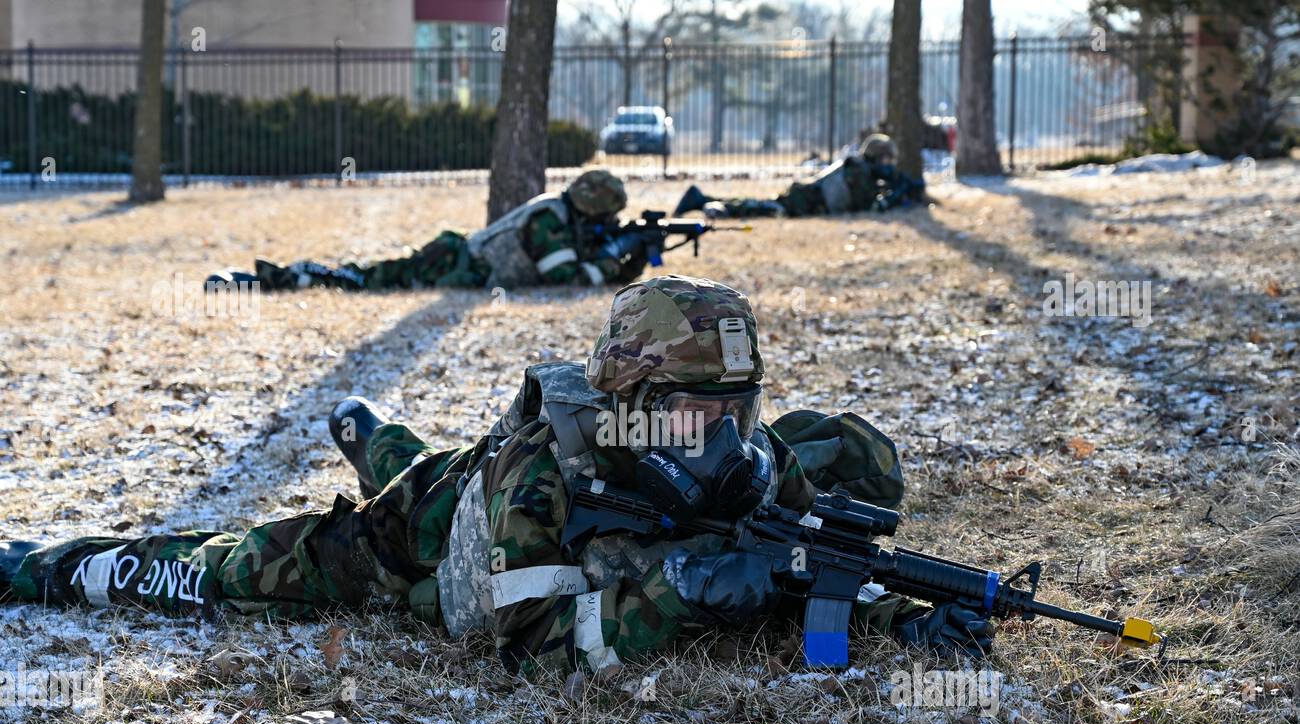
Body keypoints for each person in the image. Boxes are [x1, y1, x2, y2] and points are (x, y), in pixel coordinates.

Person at [0, 275, 993, 676]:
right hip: (427, 545)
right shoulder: (543, 473)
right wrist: (679, 589)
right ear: (630, 402)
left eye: (740, 404)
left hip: (476, 494)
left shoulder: (751, 461)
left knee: (407, 450)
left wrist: (893, 618)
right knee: (219, 567)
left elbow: (815, 571)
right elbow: (517, 646)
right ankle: (38, 560)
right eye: (700, 407)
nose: (726, 432)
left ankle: (371, 427)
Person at [205, 169, 650, 292]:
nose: (608, 226)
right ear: (593, 206)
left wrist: (629, 260)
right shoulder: (550, 220)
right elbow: (565, 278)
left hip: (464, 265)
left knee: (366, 277)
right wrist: (613, 257)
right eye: (606, 218)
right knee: (362, 281)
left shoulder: (566, 217)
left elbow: (587, 272)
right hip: (456, 264)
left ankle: (287, 277)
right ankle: (269, 280)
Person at [673, 134, 924, 219]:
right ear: (877, 158)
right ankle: (705, 201)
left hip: (807, 199)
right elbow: (870, 206)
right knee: (763, 209)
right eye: (887, 162)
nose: (889, 167)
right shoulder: (859, 172)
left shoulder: (861, 170)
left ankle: (704, 198)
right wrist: (895, 194)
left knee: (762, 206)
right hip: (804, 201)